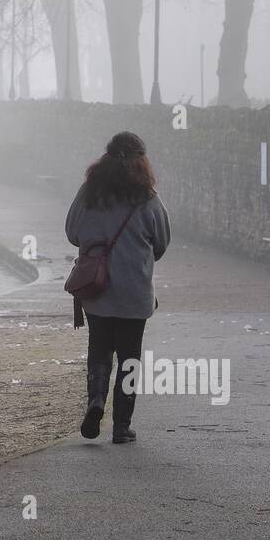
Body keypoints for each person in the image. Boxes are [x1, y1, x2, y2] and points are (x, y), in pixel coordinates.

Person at [65, 131, 171, 443]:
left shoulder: (89, 193)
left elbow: (72, 231)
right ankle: (122, 426)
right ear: (141, 162)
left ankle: (96, 402)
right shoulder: (148, 198)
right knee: (129, 357)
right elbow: (162, 241)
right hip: (134, 292)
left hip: (96, 289)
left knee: (99, 348)